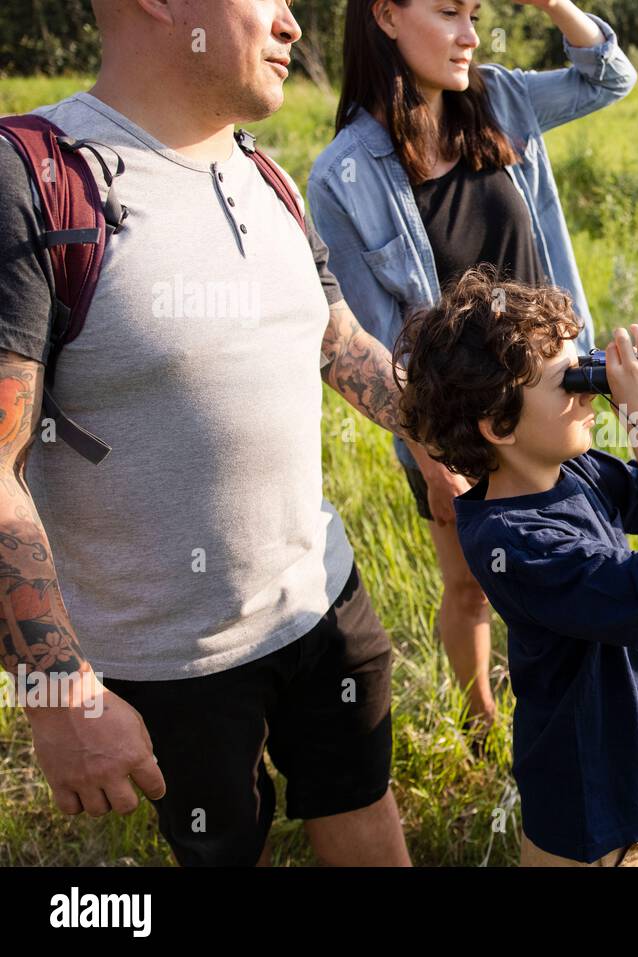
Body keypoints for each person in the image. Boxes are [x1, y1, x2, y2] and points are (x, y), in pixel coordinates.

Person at [0, 0, 421, 865]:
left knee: (364, 806)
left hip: (322, 600)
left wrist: (472, 428)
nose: (294, 24)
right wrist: (55, 688)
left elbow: (338, 344)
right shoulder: (34, 178)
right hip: (170, 665)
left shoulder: (264, 174)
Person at [308, 0, 636, 733]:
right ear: (387, 17)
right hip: (457, 427)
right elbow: (377, 342)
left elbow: (608, 77)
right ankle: (482, 720)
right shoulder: (344, 176)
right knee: (472, 587)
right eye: (450, 12)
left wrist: (554, 4)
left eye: (476, 13)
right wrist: (431, 461)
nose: (470, 34)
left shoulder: (501, 98)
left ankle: (564, 719)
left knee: (575, 557)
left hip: (555, 398)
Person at [394, 266, 638, 866]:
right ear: (499, 426)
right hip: (582, 813)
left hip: (626, 778)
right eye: (569, 382)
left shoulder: (567, 468)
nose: (589, 390)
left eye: (585, 366)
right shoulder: (517, 542)